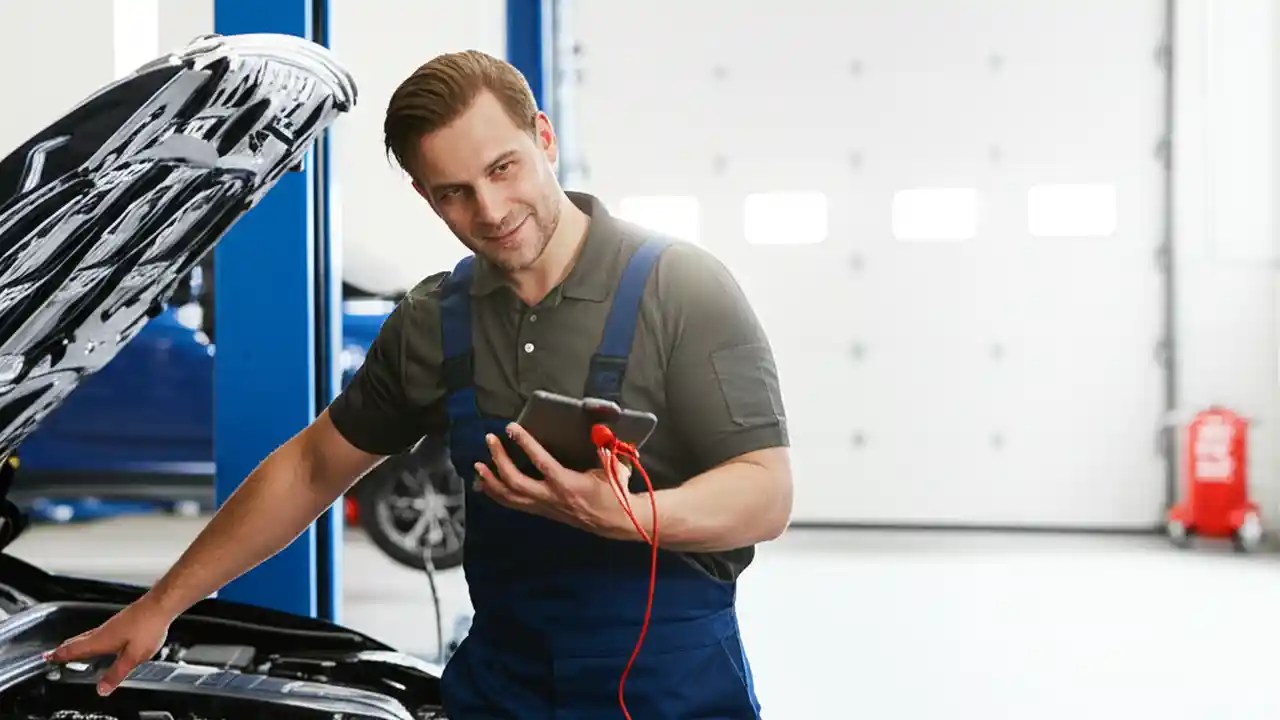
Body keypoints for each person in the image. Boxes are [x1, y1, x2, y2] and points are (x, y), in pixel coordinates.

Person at [47, 49, 793, 717]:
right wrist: (161, 605)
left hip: (671, 686)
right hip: (503, 687)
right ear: (424, 195)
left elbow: (765, 491)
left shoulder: (681, 286)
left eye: (503, 169)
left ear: (544, 138)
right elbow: (309, 469)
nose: (491, 212)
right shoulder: (434, 320)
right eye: (454, 193)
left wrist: (628, 516)